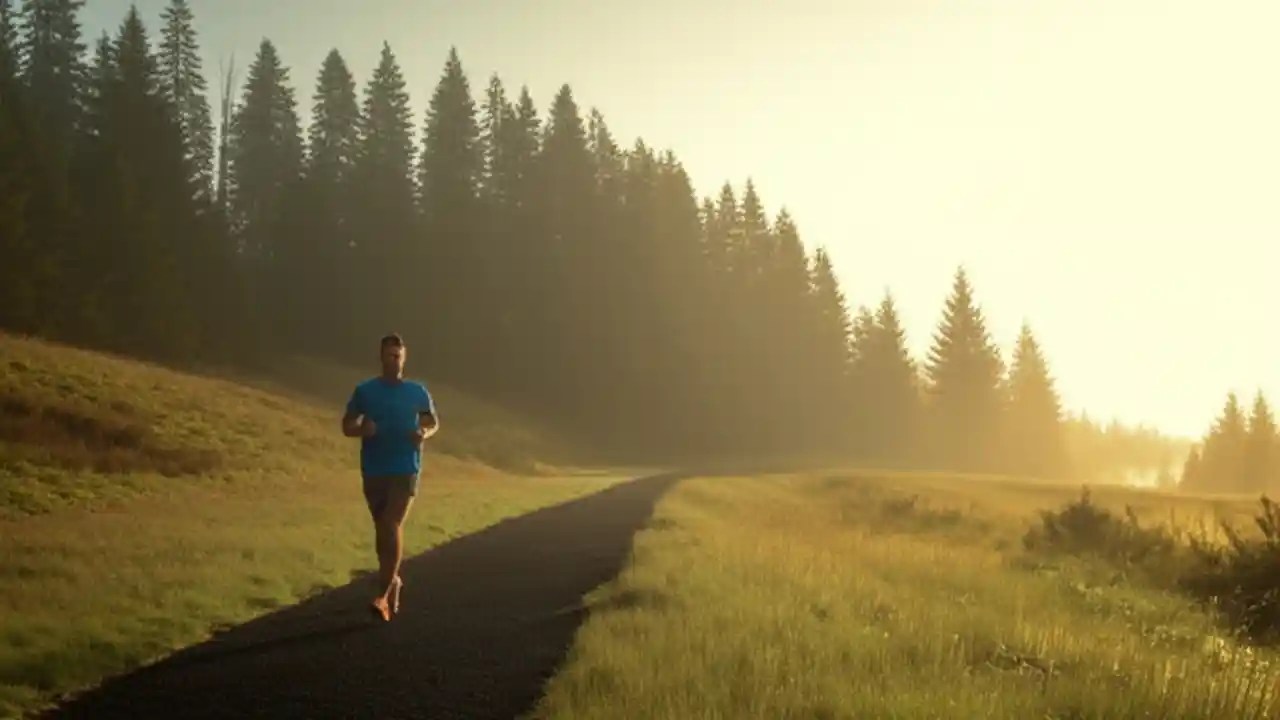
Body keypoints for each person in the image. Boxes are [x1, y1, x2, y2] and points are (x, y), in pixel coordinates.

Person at [341, 333, 439, 621]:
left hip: (405, 466)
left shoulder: (417, 391)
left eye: (398, 356)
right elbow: (347, 425)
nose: (394, 361)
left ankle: (381, 596)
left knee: (391, 523)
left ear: (404, 358)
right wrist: (362, 430)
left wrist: (423, 433)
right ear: (381, 357)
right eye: (389, 356)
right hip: (374, 468)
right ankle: (393, 580)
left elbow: (432, 422)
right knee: (382, 530)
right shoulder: (365, 391)